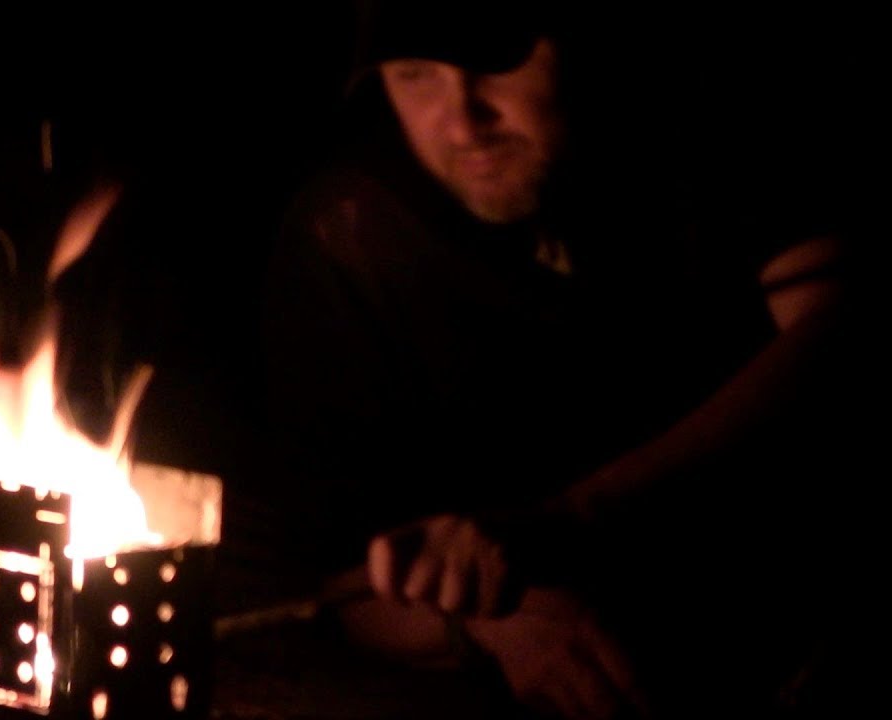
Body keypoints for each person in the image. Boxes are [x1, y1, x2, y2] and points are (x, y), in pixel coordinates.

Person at [261, 2, 873, 718]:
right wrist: (489, 623)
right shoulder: (349, 233)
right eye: (415, 74)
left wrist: (575, 519)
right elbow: (340, 580)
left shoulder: (705, 120)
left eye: (496, 61)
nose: (462, 121)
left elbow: (842, 337)